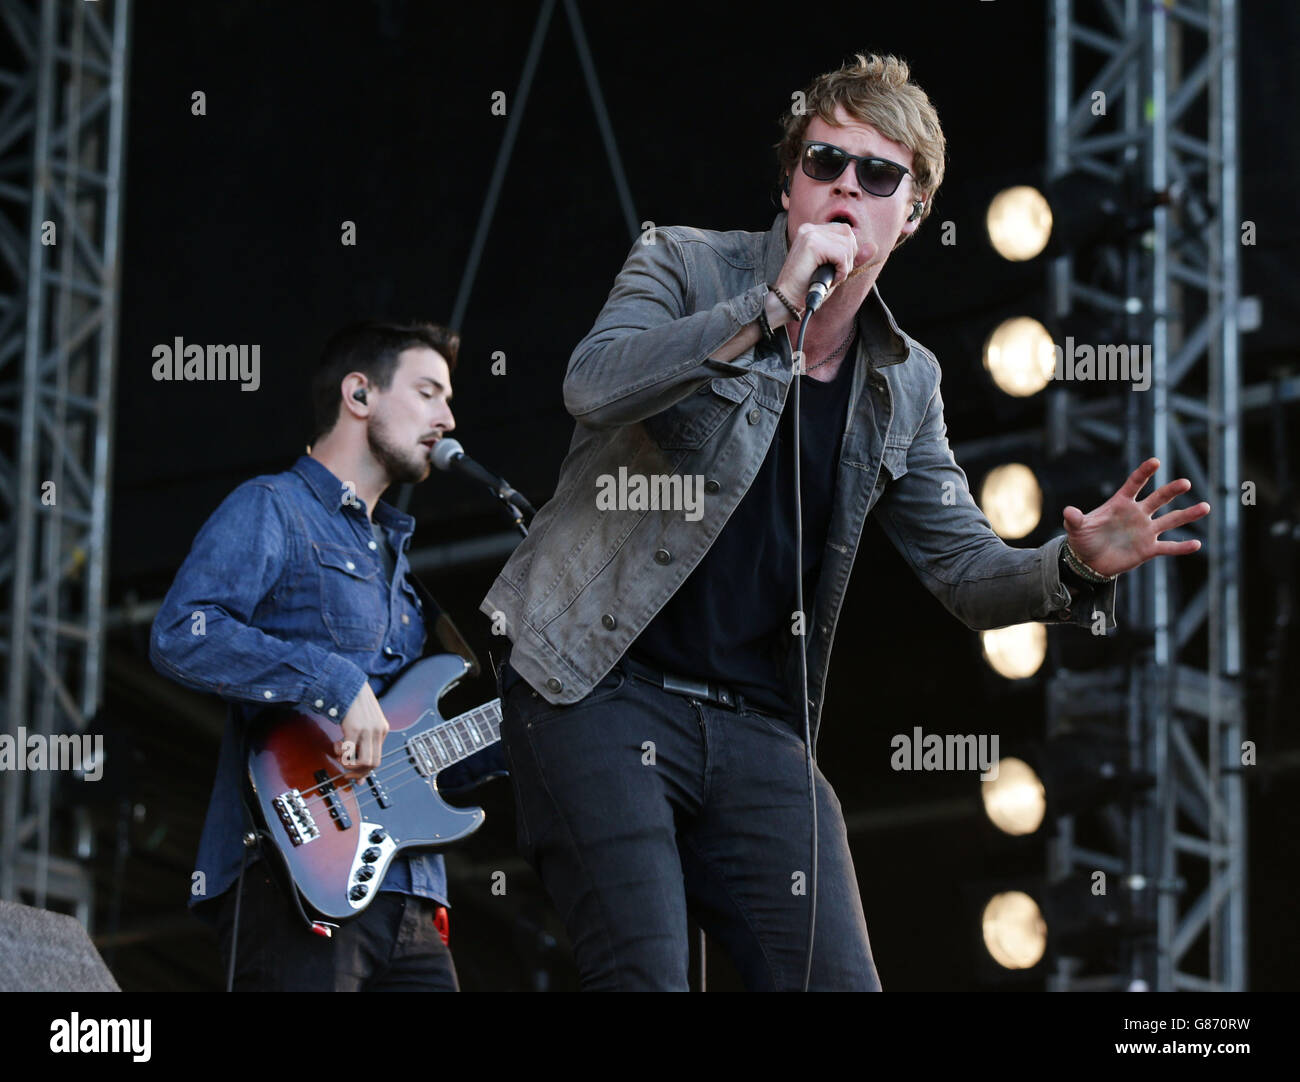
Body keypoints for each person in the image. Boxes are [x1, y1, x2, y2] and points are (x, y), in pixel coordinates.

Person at [480, 53, 1211, 991]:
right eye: (823, 162)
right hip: (594, 685)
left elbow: (963, 571)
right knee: (647, 976)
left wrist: (1070, 567)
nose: (844, 188)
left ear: (911, 216)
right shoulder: (684, 262)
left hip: (755, 725)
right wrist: (772, 306)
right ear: (788, 184)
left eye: (877, 175)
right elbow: (595, 382)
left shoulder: (906, 382)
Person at [152, 319, 493, 991]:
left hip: (413, 896)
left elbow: (407, 748)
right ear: (359, 395)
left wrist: (529, 730)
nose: (448, 418)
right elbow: (181, 633)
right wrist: (332, 678)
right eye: (429, 393)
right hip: (294, 875)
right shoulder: (273, 507)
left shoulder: (397, 563)